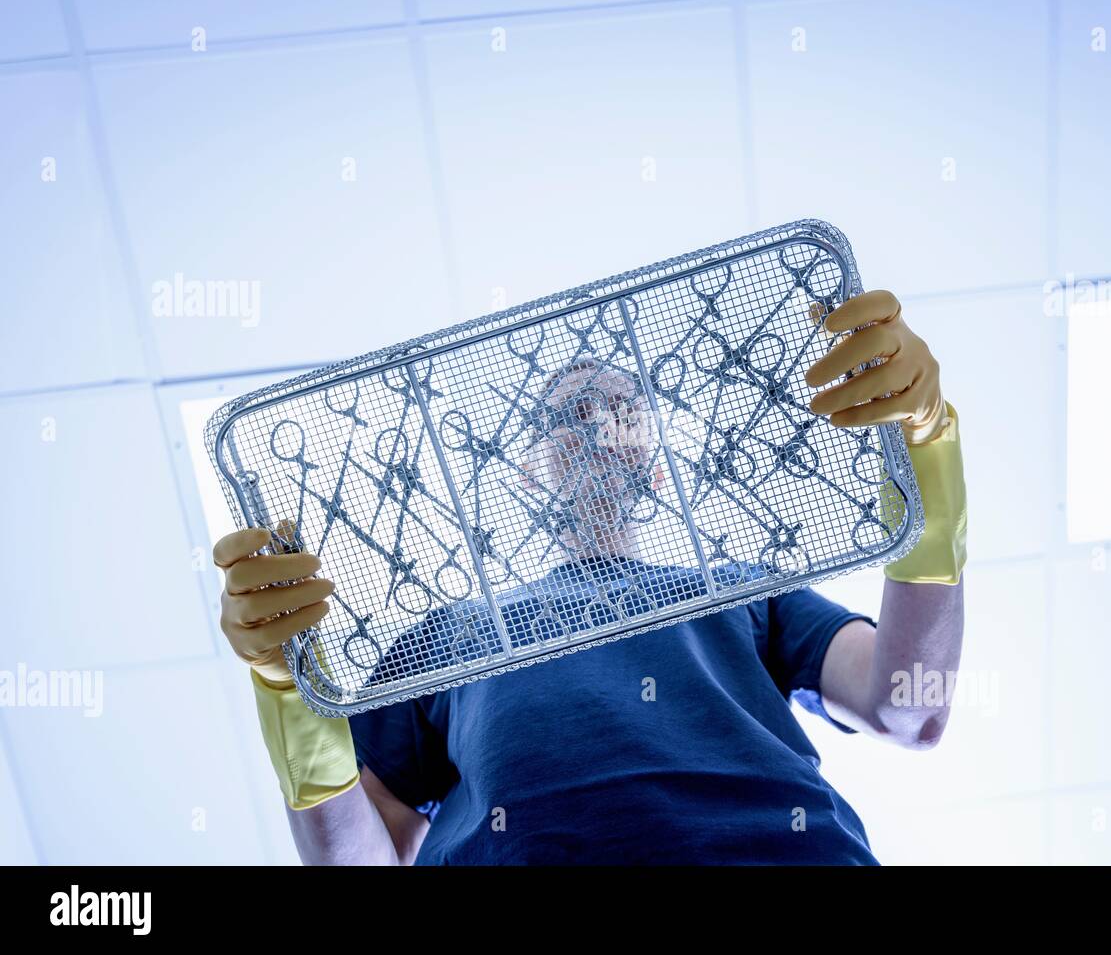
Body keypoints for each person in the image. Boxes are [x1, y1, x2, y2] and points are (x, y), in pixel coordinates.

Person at [213, 289, 968, 864]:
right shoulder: (446, 637)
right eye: (572, 415)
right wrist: (291, 695)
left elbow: (909, 706)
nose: (599, 427)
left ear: (659, 465)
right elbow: (362, 858)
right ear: (530, 470)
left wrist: (929, 460)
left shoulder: (740, 589)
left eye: (620, 410)